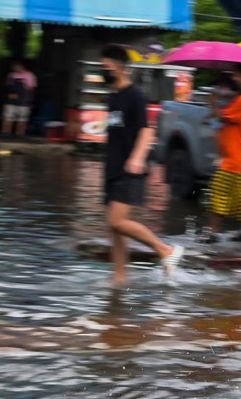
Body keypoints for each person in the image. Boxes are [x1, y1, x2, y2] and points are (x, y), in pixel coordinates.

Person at [99, 44, 183, 285]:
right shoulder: (113, 97)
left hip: (130, 168)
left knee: (117, 221)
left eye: (108, 67)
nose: (105, 71)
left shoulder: (135, 96)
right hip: (113, 168)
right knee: (114, 228)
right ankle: (120, 276)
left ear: (121, 68)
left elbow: (147, 130)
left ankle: (164, 249)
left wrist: (136, 158)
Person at [205, 65, 241, 242]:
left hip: (234, 158)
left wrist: (213, 104)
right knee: (239, 197)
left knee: (218, 190)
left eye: (236, 75)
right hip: (234, 156)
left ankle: (213, 232)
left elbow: (222, 117)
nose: (234, 79)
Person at [2, 60, 36, 136]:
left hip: (24, 101)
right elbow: (7, 87)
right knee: (8, 118)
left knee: (22, 120)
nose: (16, 68)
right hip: (11, 100)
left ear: (22, 66)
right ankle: (5, 134)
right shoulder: (11, 75)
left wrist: (30, 101)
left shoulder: (29, 75)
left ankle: (20, 135)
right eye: (14, 67)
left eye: (17, 66)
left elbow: (31, 89)